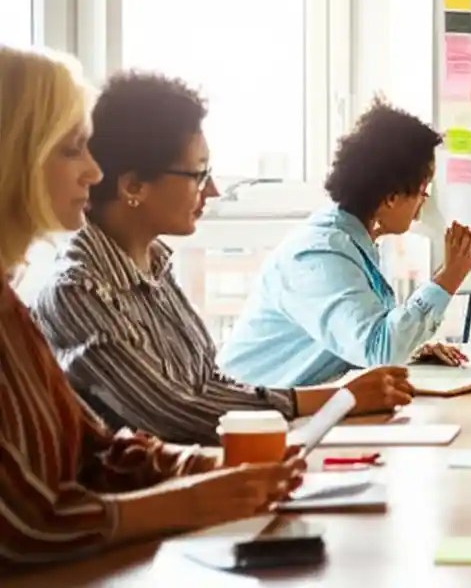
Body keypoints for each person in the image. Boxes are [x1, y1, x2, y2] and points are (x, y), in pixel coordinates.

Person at [0, 46, 303, 566]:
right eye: (72, 149)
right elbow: (23, 525)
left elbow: (94, 449)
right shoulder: (68, 290)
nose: (94, 172)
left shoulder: (10, 305)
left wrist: (204, 469)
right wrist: (191, 499)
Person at [32, 72, 415, 446]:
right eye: (198, 175)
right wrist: (332, 398)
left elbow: (210, 382)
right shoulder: (78, 290)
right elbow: (173, 411)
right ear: (133, 186)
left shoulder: (154, 269)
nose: (212, 191)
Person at [218, 97, 471, 387]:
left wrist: (412, 347)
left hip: (294, 410)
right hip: (251, 416)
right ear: (391, 196)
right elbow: (378, 351)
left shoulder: (353, 241)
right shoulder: (320, 255)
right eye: (421, 189)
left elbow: (356, 337)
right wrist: (447, 279)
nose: (424, 201)